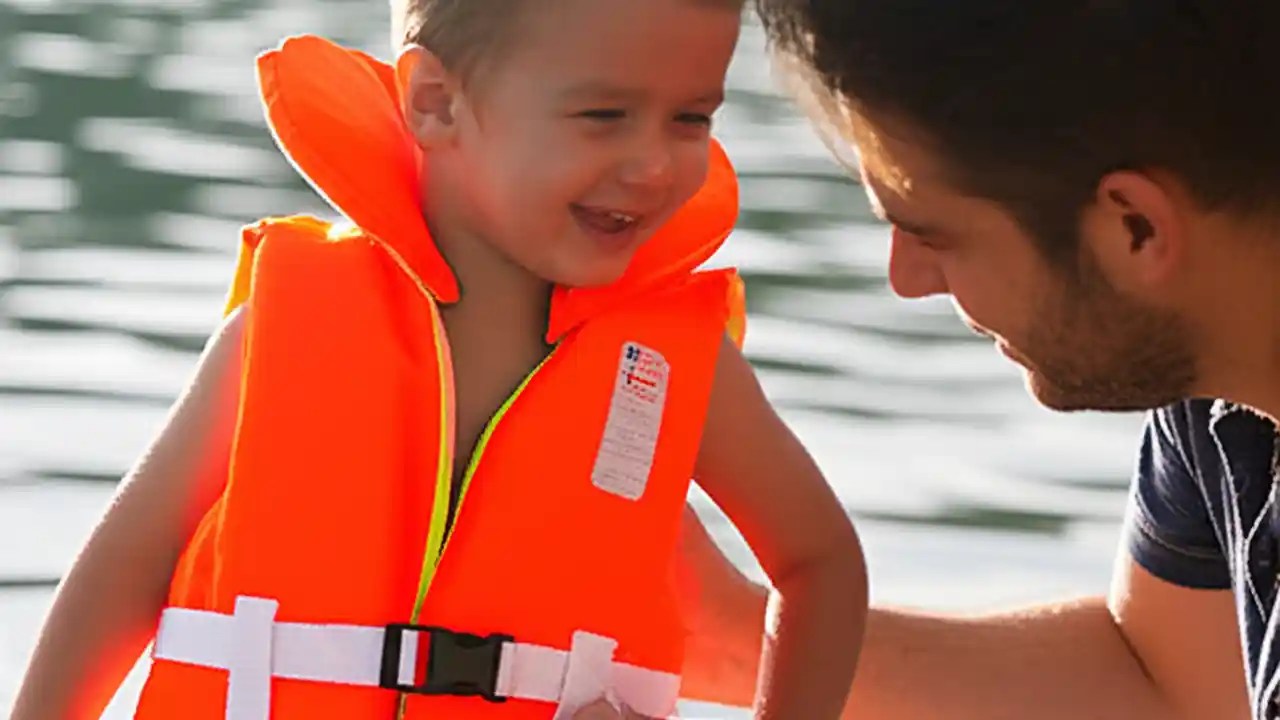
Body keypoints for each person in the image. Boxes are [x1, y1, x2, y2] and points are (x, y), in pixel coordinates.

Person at [10, 1, 868, 718]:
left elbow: (819, 563)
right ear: (435, 102)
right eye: (603, 116)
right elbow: (126, 567)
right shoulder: (286, 327)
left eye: (692, 118)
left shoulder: (678, 366)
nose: (655, 164)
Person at [672, 1, 1280, 719]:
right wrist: (728, 634)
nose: (907, 279)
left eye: (932, 232)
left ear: (1135, 228)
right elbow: (1171, 684)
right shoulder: (1217, 374)